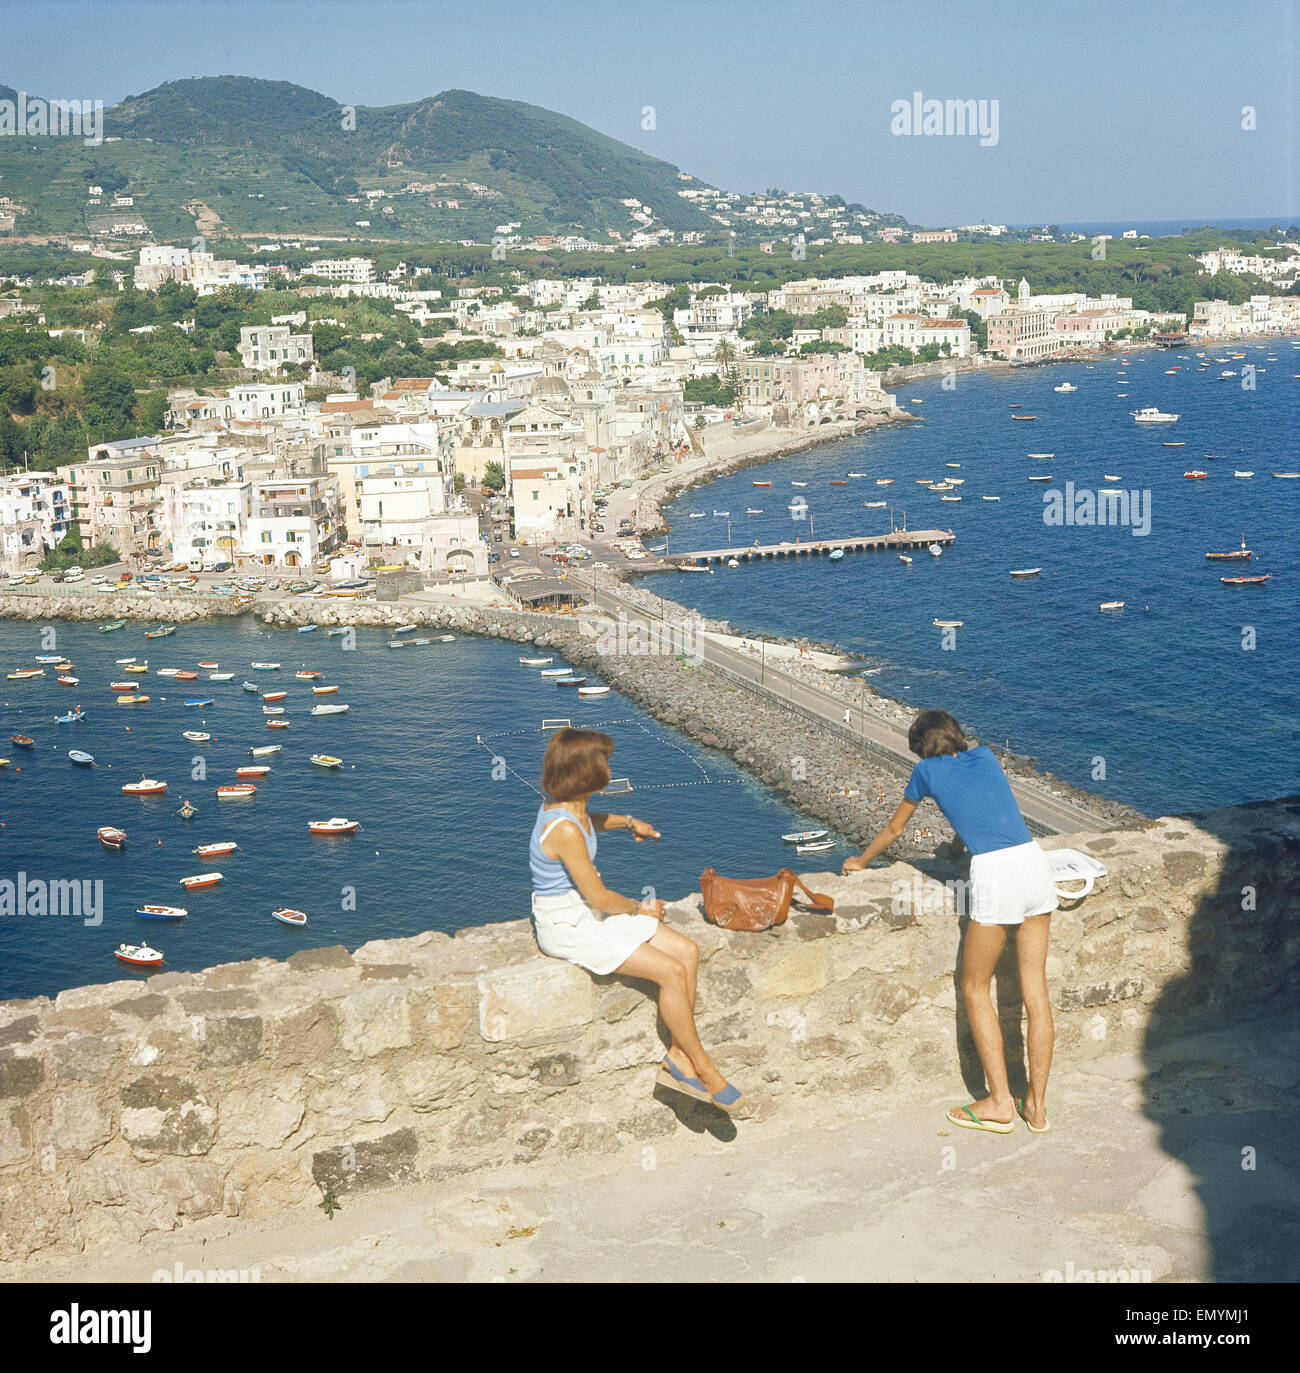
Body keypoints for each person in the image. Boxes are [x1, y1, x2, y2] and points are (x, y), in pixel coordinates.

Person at [841, 709, 1056, 1135]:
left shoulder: (925, 772)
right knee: (1036, 989)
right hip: (1033, 863)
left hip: (996, 876)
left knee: (975, 987)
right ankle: (1036, 1106)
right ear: (957, 734)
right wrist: (957, 848)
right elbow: (983, 807)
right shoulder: (989, 757)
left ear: (921, 745)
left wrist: (860, 861)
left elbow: (894, 830)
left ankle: (998, 1103)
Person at [529, 727, 744, 1113]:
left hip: (586, 912)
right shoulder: (561, 828)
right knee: (671, 971)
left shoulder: (567, 807)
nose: (610, 767)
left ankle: (678, 1057)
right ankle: (705, 1068)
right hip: (568, 925)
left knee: (688, 951)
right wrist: (638, 909)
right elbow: (598, 896)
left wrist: (629, 822)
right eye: (605, 761)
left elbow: (589, 820)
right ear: (588, 772)